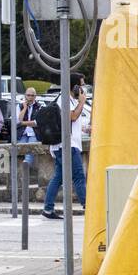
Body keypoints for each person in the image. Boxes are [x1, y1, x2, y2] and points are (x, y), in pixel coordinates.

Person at [42, 76, 88, 220]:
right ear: (74, 87)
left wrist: (85, 129)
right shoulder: (64, 100)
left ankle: (48, 209)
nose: (83, 89)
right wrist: (82, 102)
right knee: (79, 176)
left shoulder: (69, 100)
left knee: (58, 177)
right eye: (81, 85)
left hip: (64, 145)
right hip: (67, 146)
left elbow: (72, 123)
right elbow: (72, 117)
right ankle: (87, 205)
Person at [18, 87, 42, 169]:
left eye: (32, 95)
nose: (30, 97)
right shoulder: (20, 106)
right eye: (28, 95)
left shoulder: (40, 107)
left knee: (30, 150)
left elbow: (37, 123)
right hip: (22, 132)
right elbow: (18, 120)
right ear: (25, 96)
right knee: (20, 150)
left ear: (35, 96)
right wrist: (24, 108)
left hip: (34, 133)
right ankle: (23, 170)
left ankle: (26, 167)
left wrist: (23, 123)